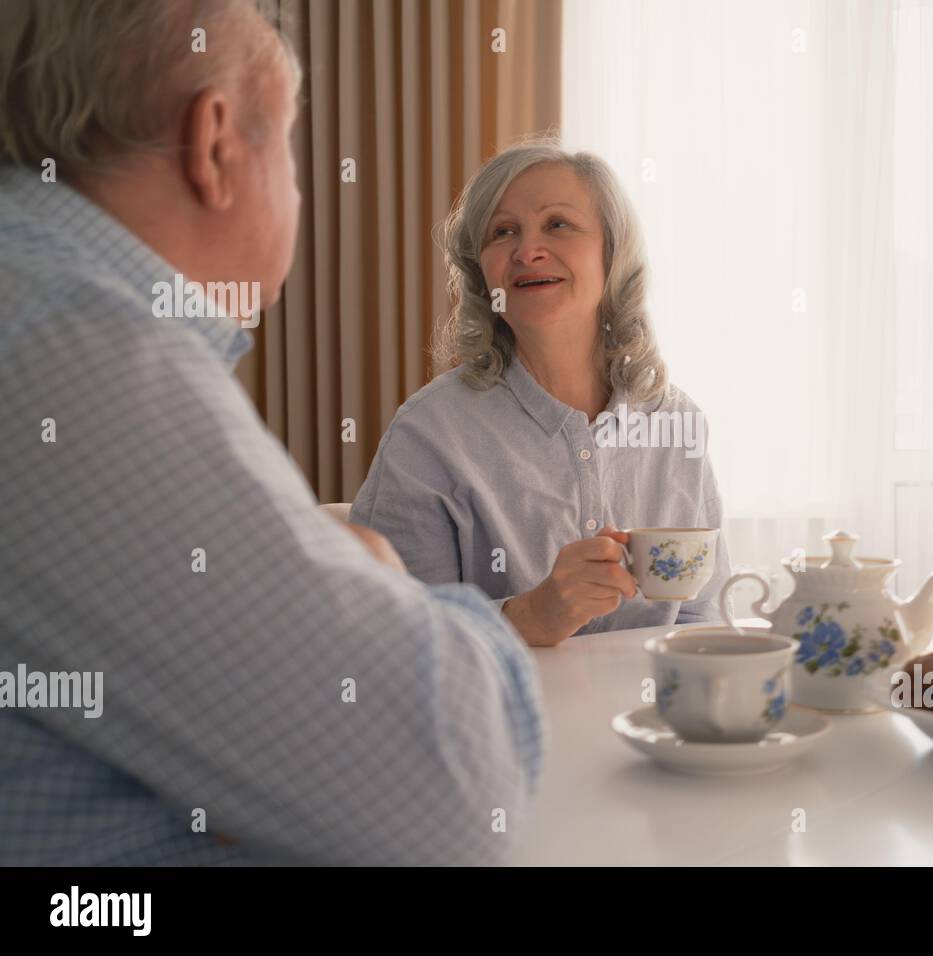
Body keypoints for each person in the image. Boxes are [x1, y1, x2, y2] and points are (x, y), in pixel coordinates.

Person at [0, 0, 541, 865]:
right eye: (288, 148)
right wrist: (388, 581)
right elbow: (452, 794)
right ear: (216, 143)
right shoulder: (74, 343)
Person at [350, 140, 731, 646]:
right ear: (482, 275)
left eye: (558, 224)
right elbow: (385, 641)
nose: (527, 251)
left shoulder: (677, 423)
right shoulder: (428, 434)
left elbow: (702, 622)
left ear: (611, 254)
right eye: (502, 232)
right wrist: (530, 616)